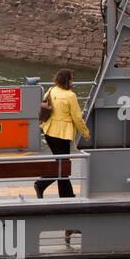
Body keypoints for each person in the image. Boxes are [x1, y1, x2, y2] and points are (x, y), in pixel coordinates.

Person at [35, 69, 90, 198]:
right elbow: (77, 118)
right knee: (63, 165)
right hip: (62, 134)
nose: (72, 82)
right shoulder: (70, 96)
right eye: (71, 79)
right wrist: (85, 133)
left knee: (61, 163)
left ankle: (66, 194)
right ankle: (41, 184)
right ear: (67, 81)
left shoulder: (52, 90)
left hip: (49, 132)